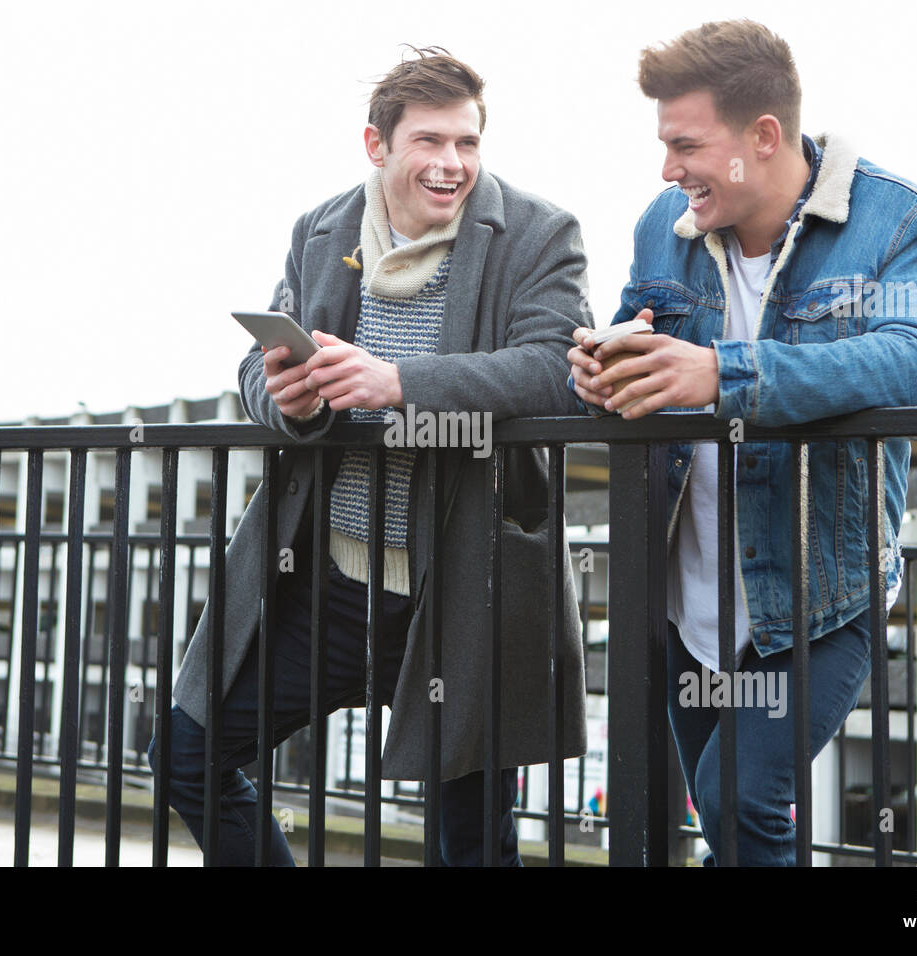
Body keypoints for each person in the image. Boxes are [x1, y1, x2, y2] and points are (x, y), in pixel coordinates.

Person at [149, 46, 590, 866]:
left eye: (466, 142)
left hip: (460, 592)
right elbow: (256, 367)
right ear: (376, 145)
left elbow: (556, 368)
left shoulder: (538, 232)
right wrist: (284, 399)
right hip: (322, 586)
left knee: (471, 842)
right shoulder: (319, 230)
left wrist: (398, 381)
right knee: (185, 754)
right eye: (429, 141)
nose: (451, 164)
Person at [569, 20, 917, 865]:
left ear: (764, 137)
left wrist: (727, 373)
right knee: (728, 827)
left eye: (684, 144)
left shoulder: (902, 222)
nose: (668, 169)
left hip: (823, 601)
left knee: (738, 799)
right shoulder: (660, 224)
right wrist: (601, 369)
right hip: (688, 604)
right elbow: (646, 332)